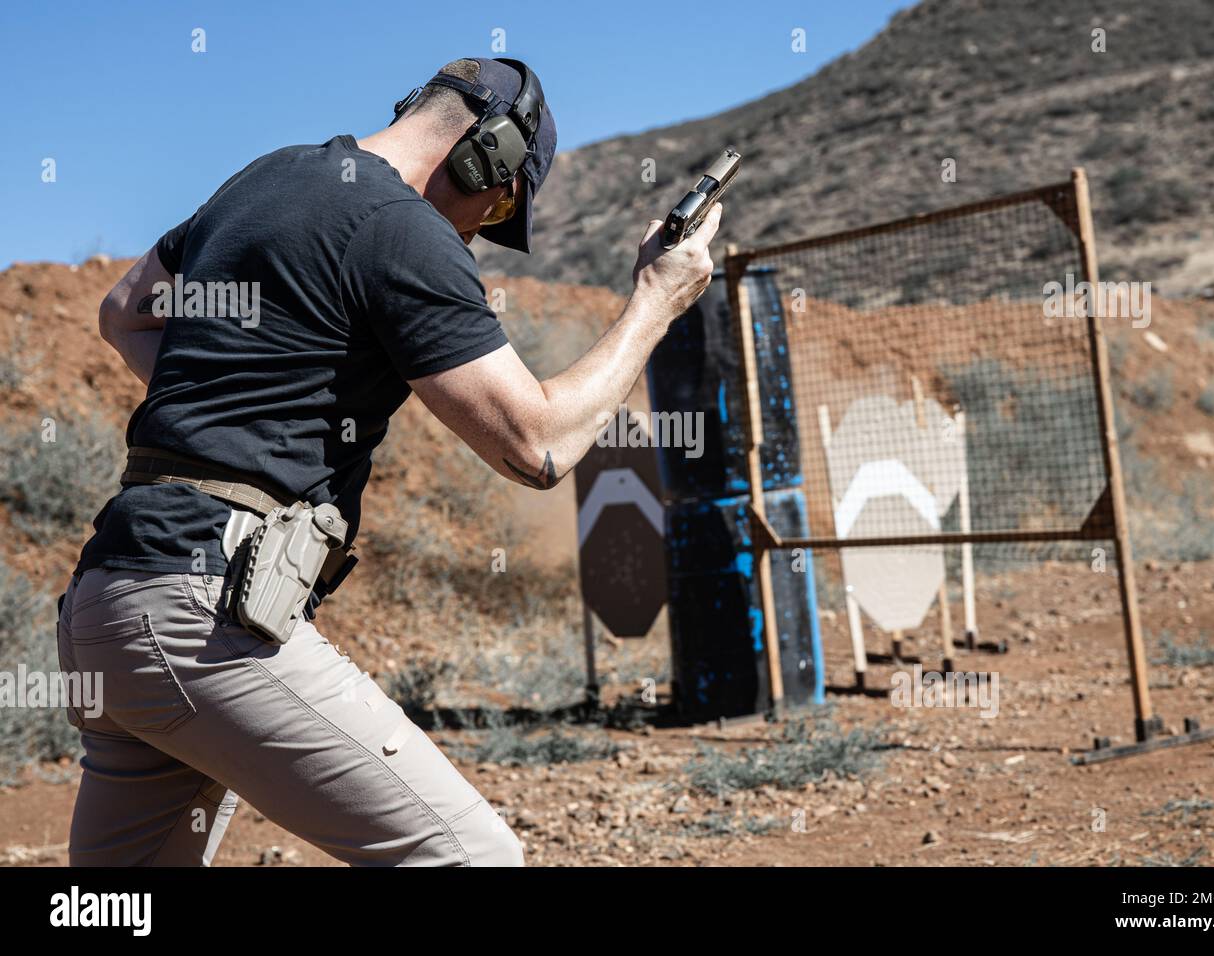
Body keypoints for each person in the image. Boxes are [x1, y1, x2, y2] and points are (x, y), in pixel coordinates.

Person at [61, 56, 721, 866]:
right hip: (205, 610)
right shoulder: (399, 226)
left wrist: (240, 403)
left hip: (109, 601)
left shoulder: (264, 178)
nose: (479, 230)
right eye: (502, 203)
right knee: (470, 858)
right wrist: (654, 300)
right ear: (492, 157)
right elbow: (537, 445)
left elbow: (125, 313)